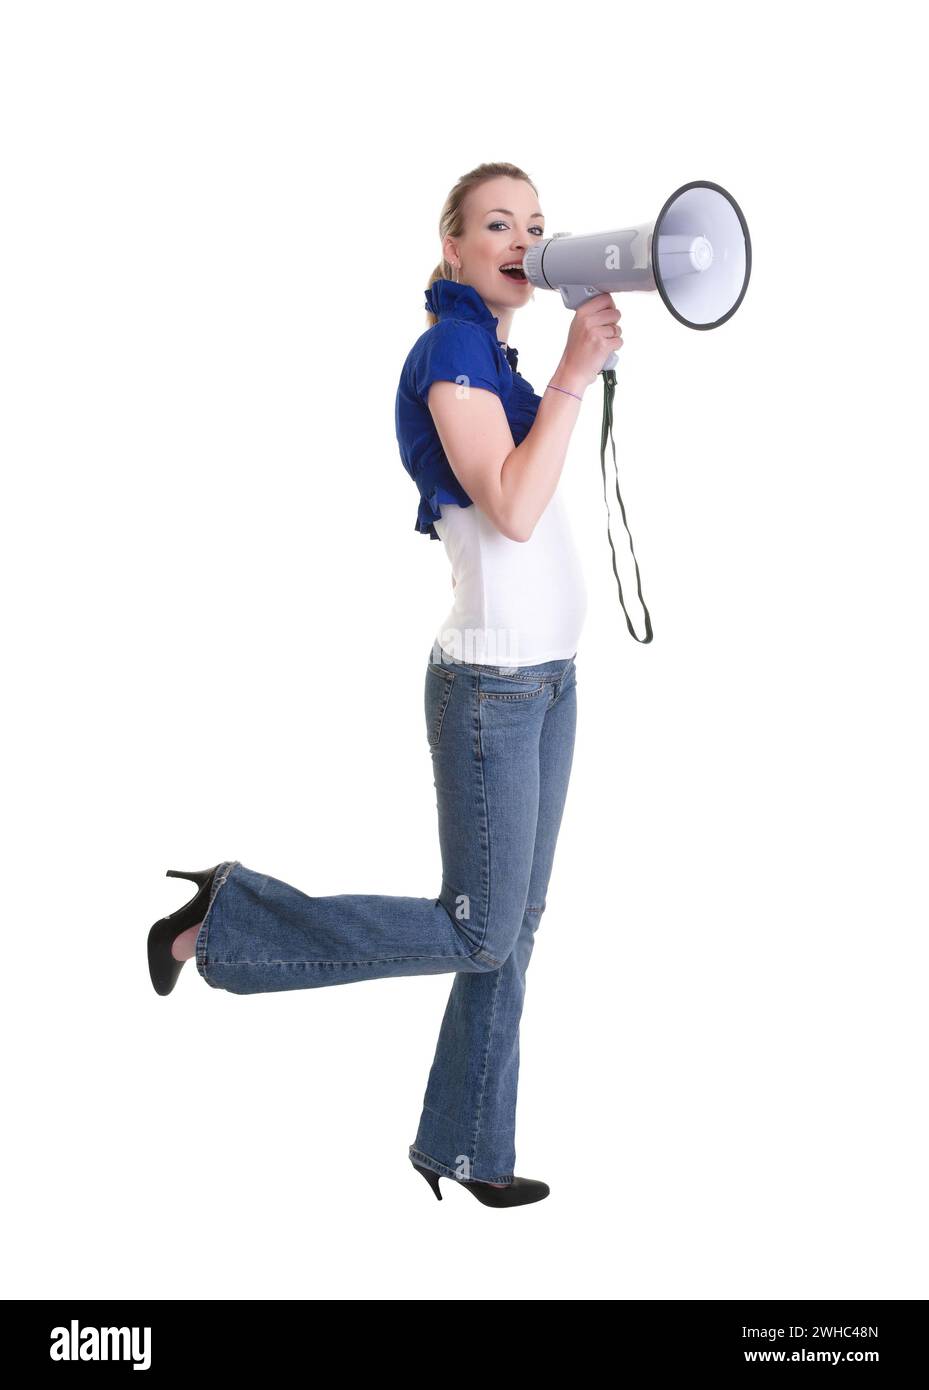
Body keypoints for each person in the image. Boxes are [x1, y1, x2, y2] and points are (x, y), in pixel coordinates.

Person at [146, 161, 622, 1208]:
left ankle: (463, 1144)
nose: (521, 236)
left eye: (535, 223)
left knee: (512, 927)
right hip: (491, 690)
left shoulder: (494, 355)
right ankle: (227, 920)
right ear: (451, 246)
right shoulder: (449, 347)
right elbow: (509, 503)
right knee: (480, 925)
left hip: (546, 682)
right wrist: (574, 375)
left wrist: (561, 371)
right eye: (496, 222)